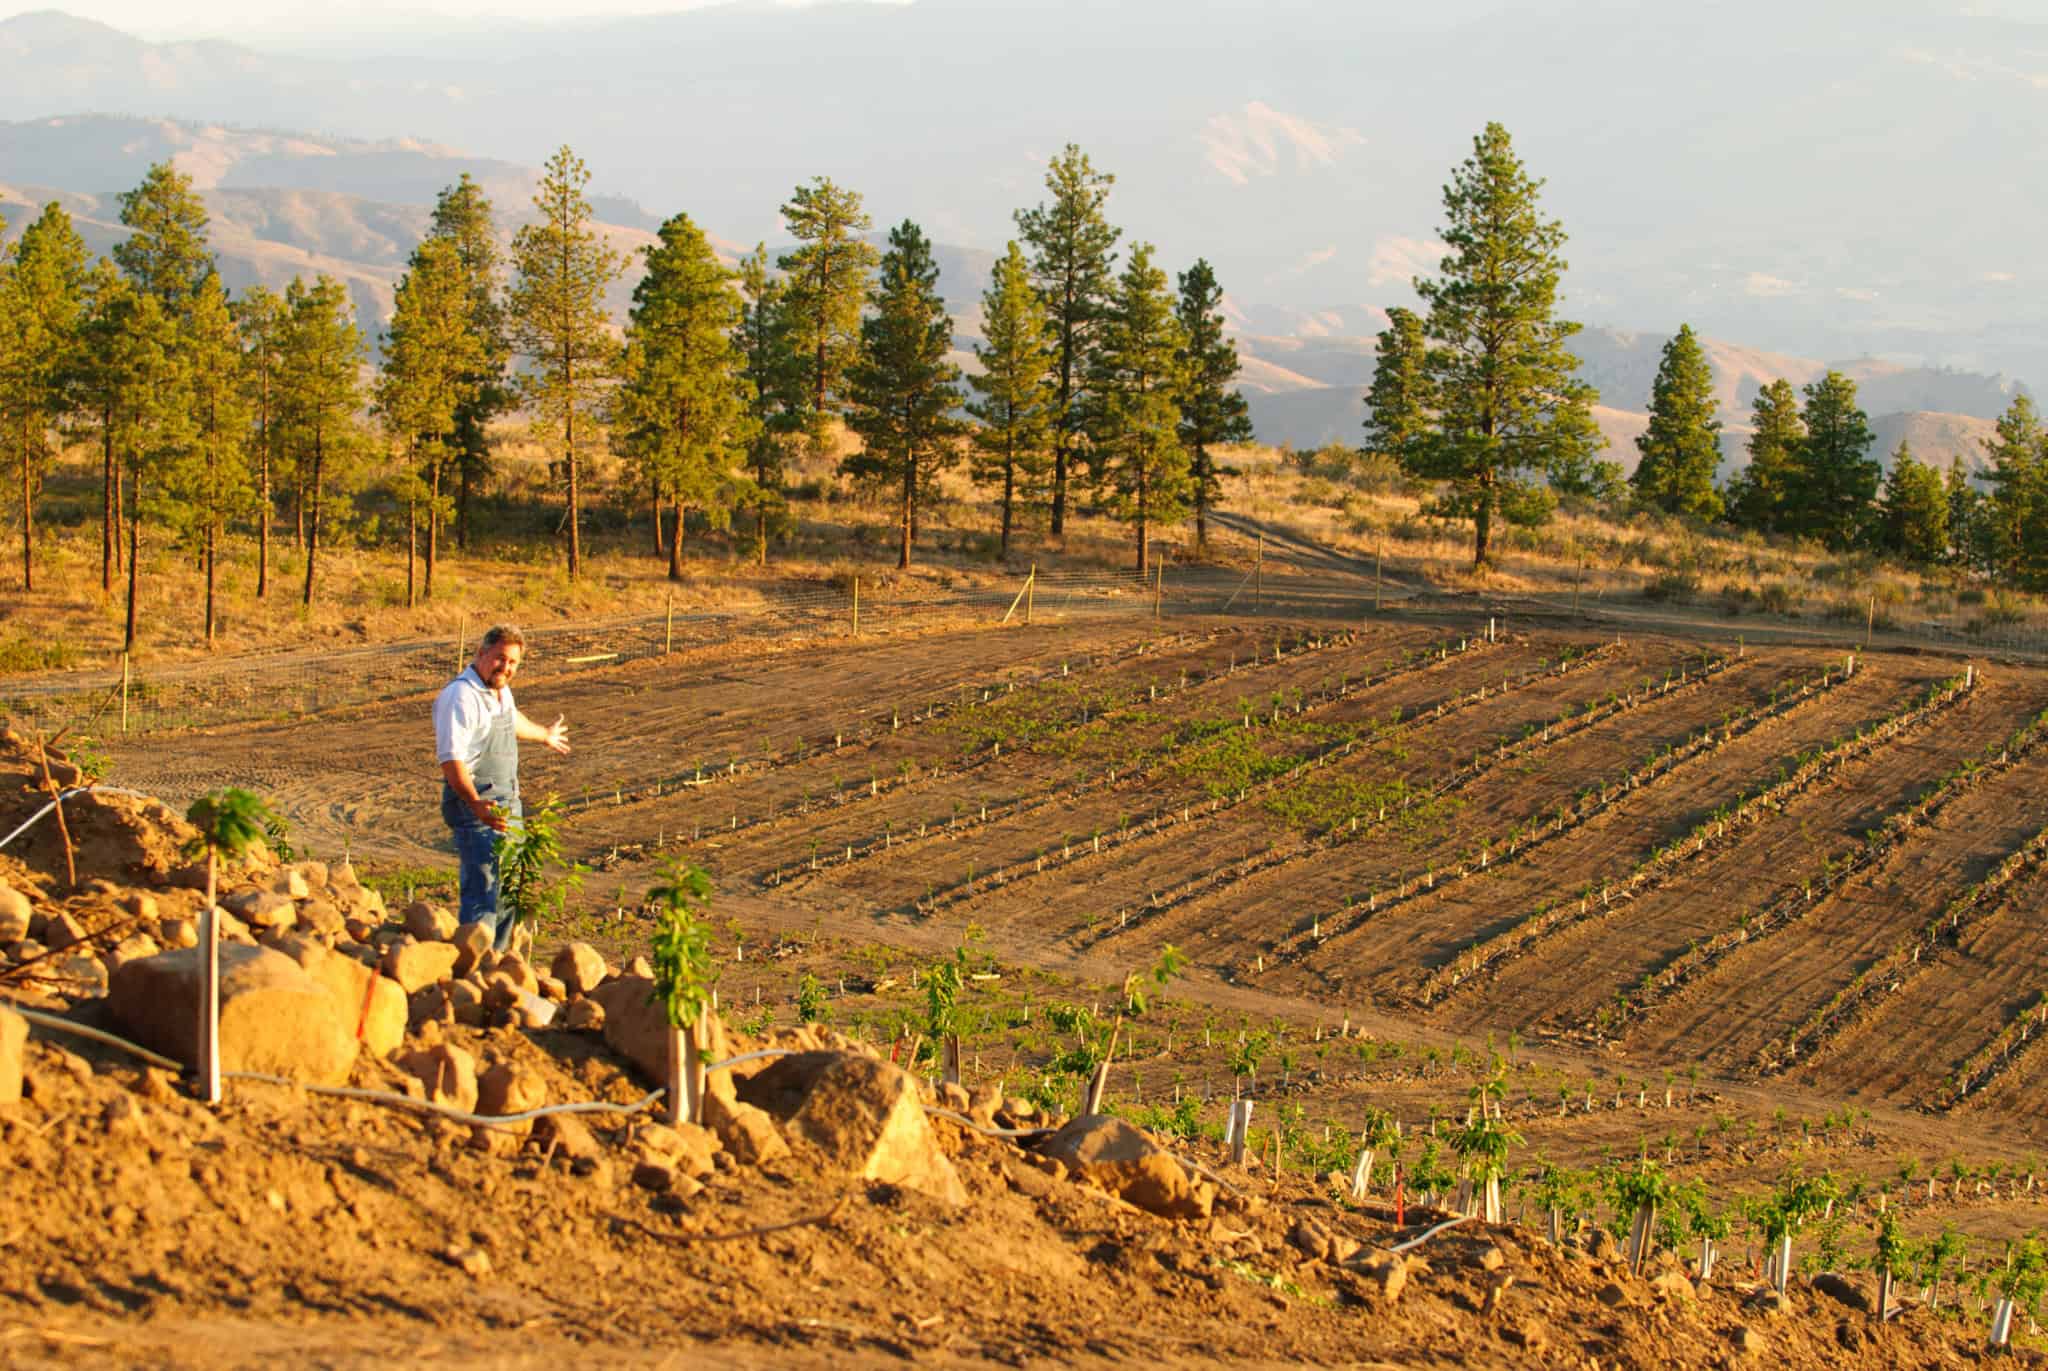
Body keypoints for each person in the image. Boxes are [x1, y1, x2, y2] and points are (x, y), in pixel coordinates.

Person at [433, 624, 570, 948]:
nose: (505, 668)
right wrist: (475, 805)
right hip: (476, 804)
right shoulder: (461, 697)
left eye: (512, 663)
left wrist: (545, 735)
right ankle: (477, 970)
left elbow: (511, 718)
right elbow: (452, 762)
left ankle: (498, 960)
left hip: (508, 801)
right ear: (481, 653)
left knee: (509, 884)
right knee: (484, 888)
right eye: (500, 659)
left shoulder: (498, 691)